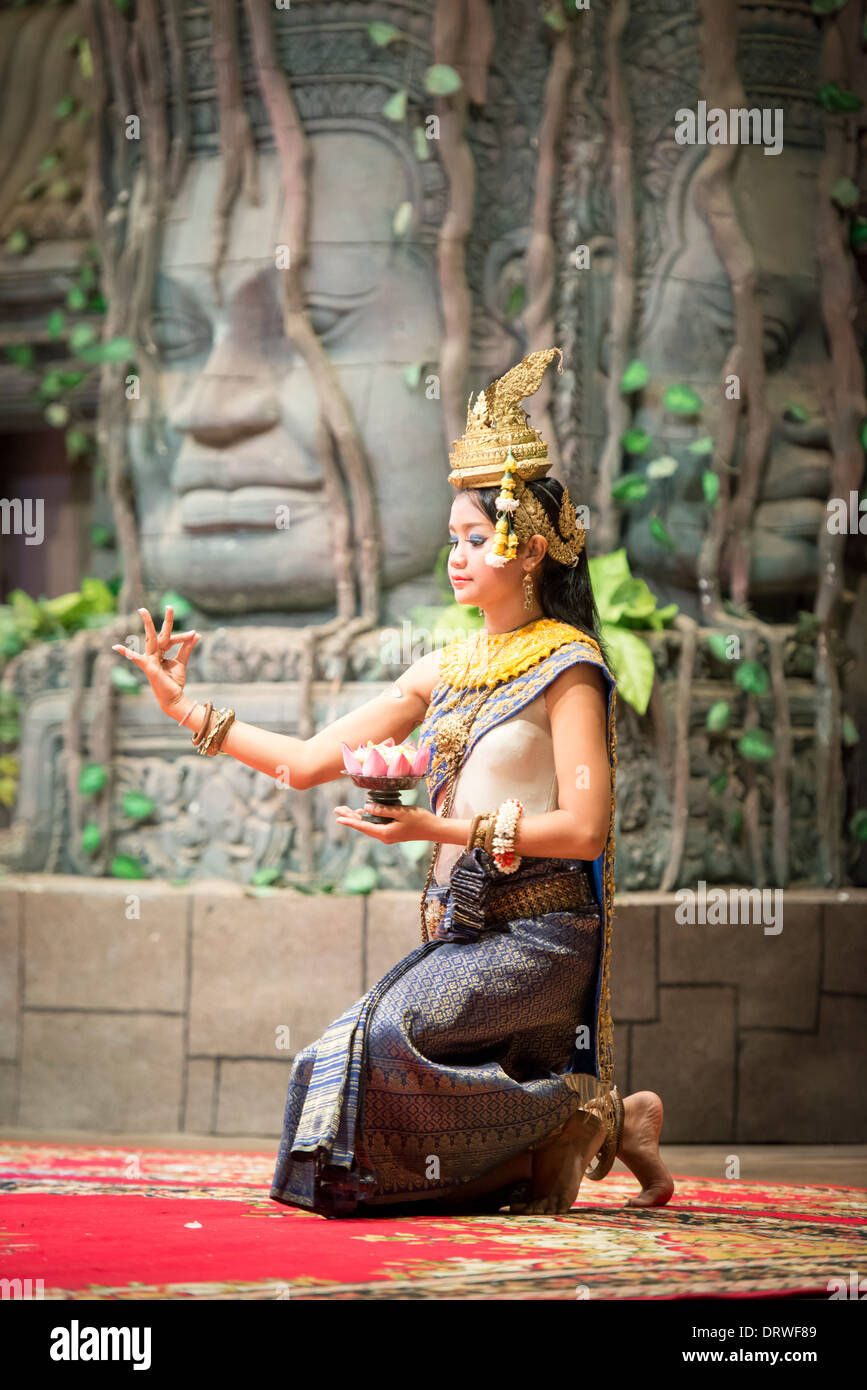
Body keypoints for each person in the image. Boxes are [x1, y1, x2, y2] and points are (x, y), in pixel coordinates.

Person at [112, 346, 674, 1218]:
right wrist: (189, 713)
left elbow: (584, 832)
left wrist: (435, 833)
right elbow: (306, 761)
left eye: (475, 538)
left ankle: (574, 1112)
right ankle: (586, 1124)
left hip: (539, 941)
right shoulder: (443, 669)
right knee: (328, 1071)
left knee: (374, 1048)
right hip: (463, 937)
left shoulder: (571, 667)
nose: (456, 556)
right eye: (451, 538)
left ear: (526, 549)